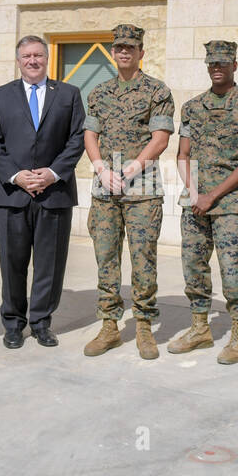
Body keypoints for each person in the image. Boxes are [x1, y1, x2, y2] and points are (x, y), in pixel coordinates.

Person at [0, 34, 85, 348]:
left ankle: (42, 323)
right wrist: (16, 176)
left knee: (49, 264)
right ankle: (13, 323)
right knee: (11, 263)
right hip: (12, 195)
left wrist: (53, 173)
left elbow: (77, 138)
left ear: (47, 58)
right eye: (26, 56)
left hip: (54, 194)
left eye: (38, 55)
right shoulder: (1, 96)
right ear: (18, 61)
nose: (32, 61)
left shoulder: (68, 94)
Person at [82, 24, 174, 360]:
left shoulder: (157, 91)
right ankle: (109, 325)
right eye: (119, 47)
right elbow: (90, 135)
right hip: (105, 186)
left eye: (130, 48)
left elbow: (160, 138)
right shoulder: (99, 92)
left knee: (143, 259)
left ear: (141, 53)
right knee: (105, 257)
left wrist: (133, 168)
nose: (124, 52)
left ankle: (144, 326)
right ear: (112, 51)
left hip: (142, 189)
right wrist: (101, 168)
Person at [170, 39, 238, 364]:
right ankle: (200, 328)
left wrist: (212, 195)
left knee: (231, 267)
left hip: (230, 204)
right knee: (193, 265)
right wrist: (195, 192)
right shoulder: (192, 108)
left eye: (223, 63)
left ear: (234, 65)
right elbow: (182, 154)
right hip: (194, 202)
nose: (217, 68)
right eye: (212, 63)